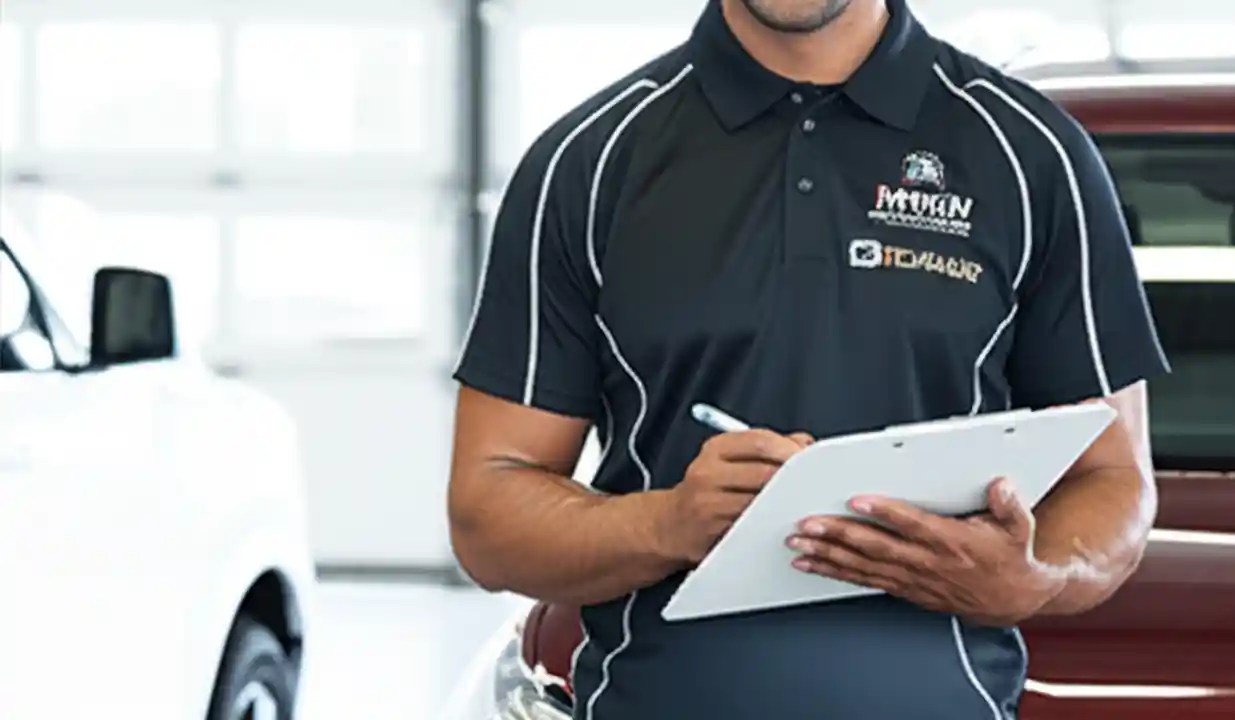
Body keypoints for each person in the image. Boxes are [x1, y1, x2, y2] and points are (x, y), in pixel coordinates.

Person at [448, 0, 1169, 717]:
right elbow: (487, 516)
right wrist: (665, 523)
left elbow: (1113, 480)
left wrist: (1035, 577)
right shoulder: (588, 163)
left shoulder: (1032, 155)